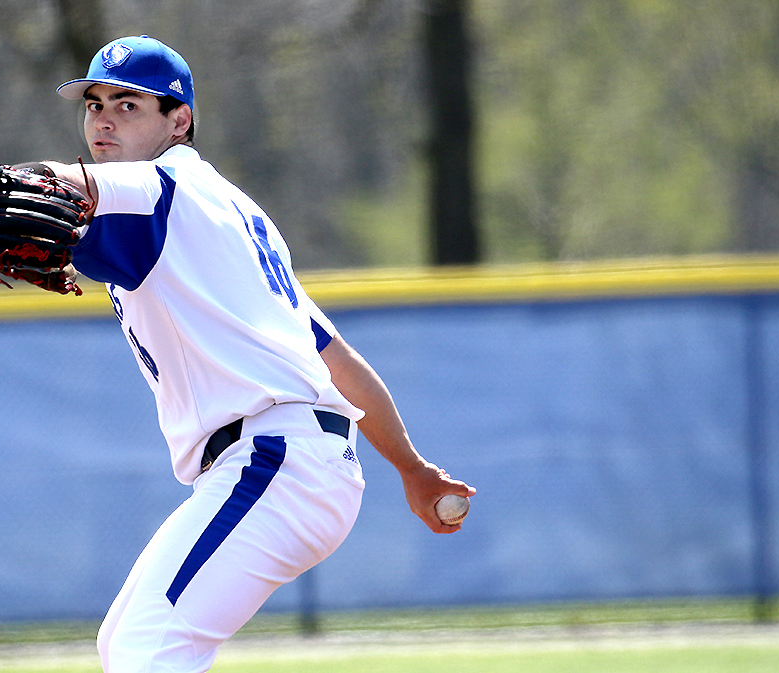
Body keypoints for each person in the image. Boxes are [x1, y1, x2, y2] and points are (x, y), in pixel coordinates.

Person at [24, 35, 475, 672]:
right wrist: (411, 468)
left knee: (147, 647)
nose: (101, 117)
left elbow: (71, 189)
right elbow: (334, 359)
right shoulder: (230, 211)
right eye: (94, 103)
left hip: (275, 458)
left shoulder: (163, 186)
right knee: (124, 640)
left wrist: (14, 181)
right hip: (291, 460)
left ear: (178, 121)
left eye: (128, 105)